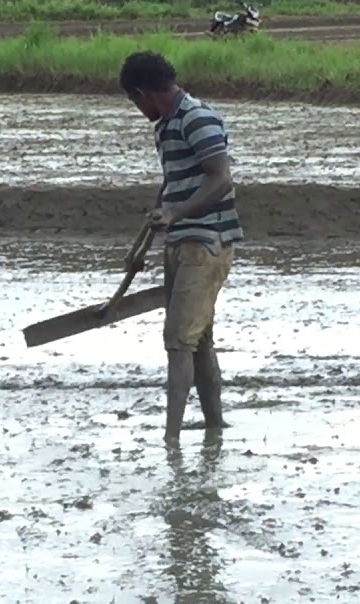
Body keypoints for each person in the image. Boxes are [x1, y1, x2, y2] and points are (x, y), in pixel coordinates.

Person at [118, 51, 242, 446]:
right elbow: (174, 182)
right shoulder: (167, 125)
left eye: (134, 101)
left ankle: (170, 440)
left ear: (143, 93)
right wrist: (156, 225)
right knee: (198, 338)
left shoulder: (197, 118)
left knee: (178, 341)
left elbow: (220, 178)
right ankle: (214, 428)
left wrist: (175, 214)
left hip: (206, 242)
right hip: (181, 240)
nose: (138, 110)